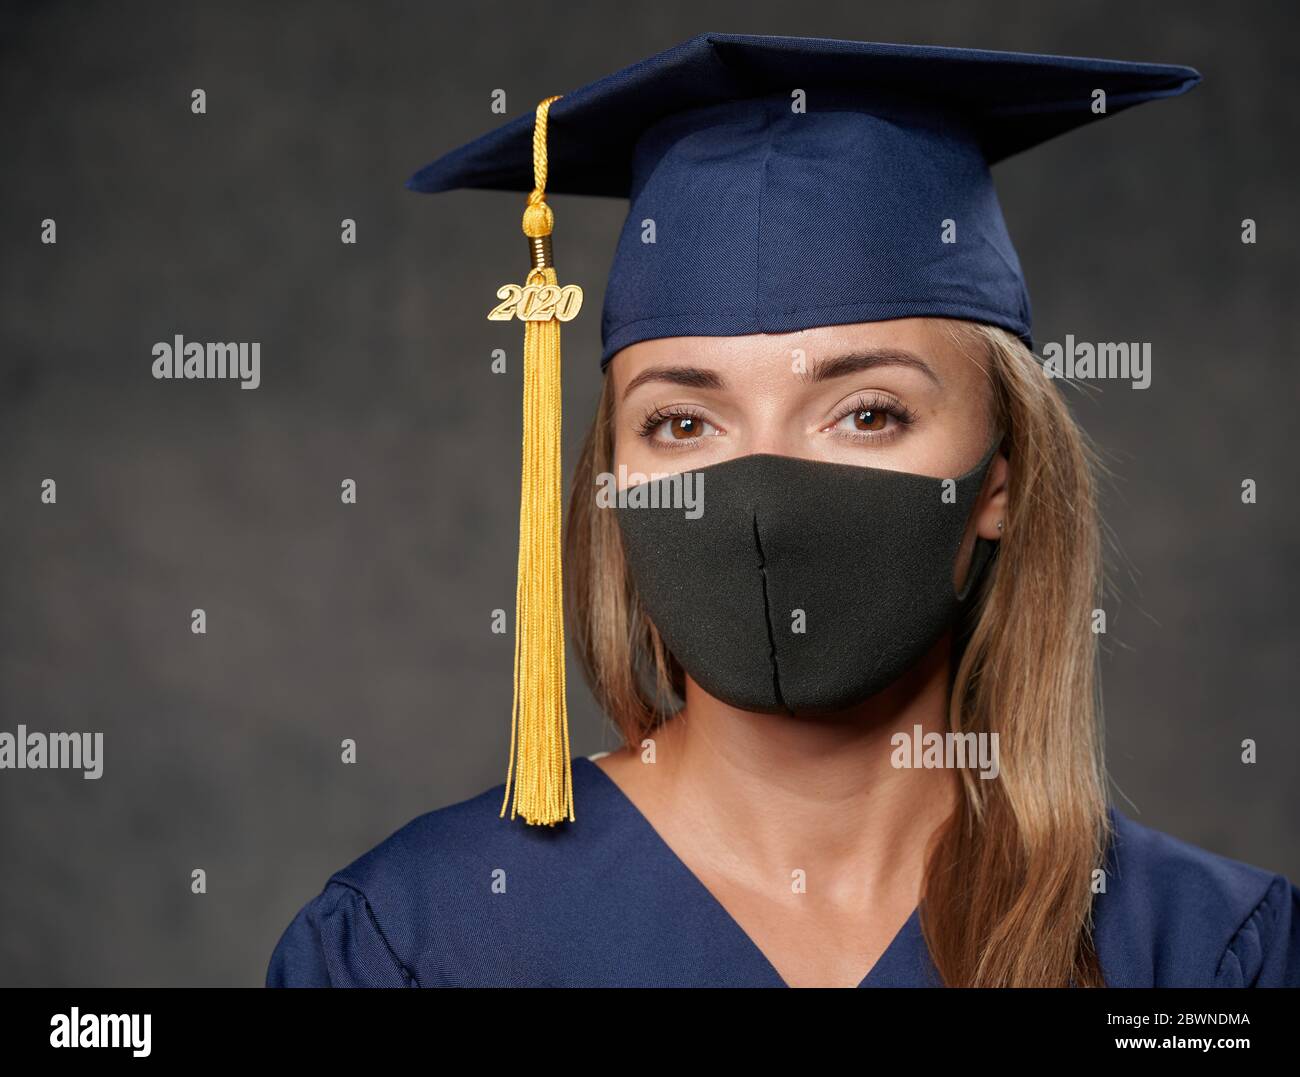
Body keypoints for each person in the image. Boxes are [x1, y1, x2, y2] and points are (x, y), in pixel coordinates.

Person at [265, 32, 1300, 987]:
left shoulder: (1198, 956)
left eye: (865, 414)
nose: (762, 499)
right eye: (681, 423)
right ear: (609, 479)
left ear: (1001, 480)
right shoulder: (416, 942)